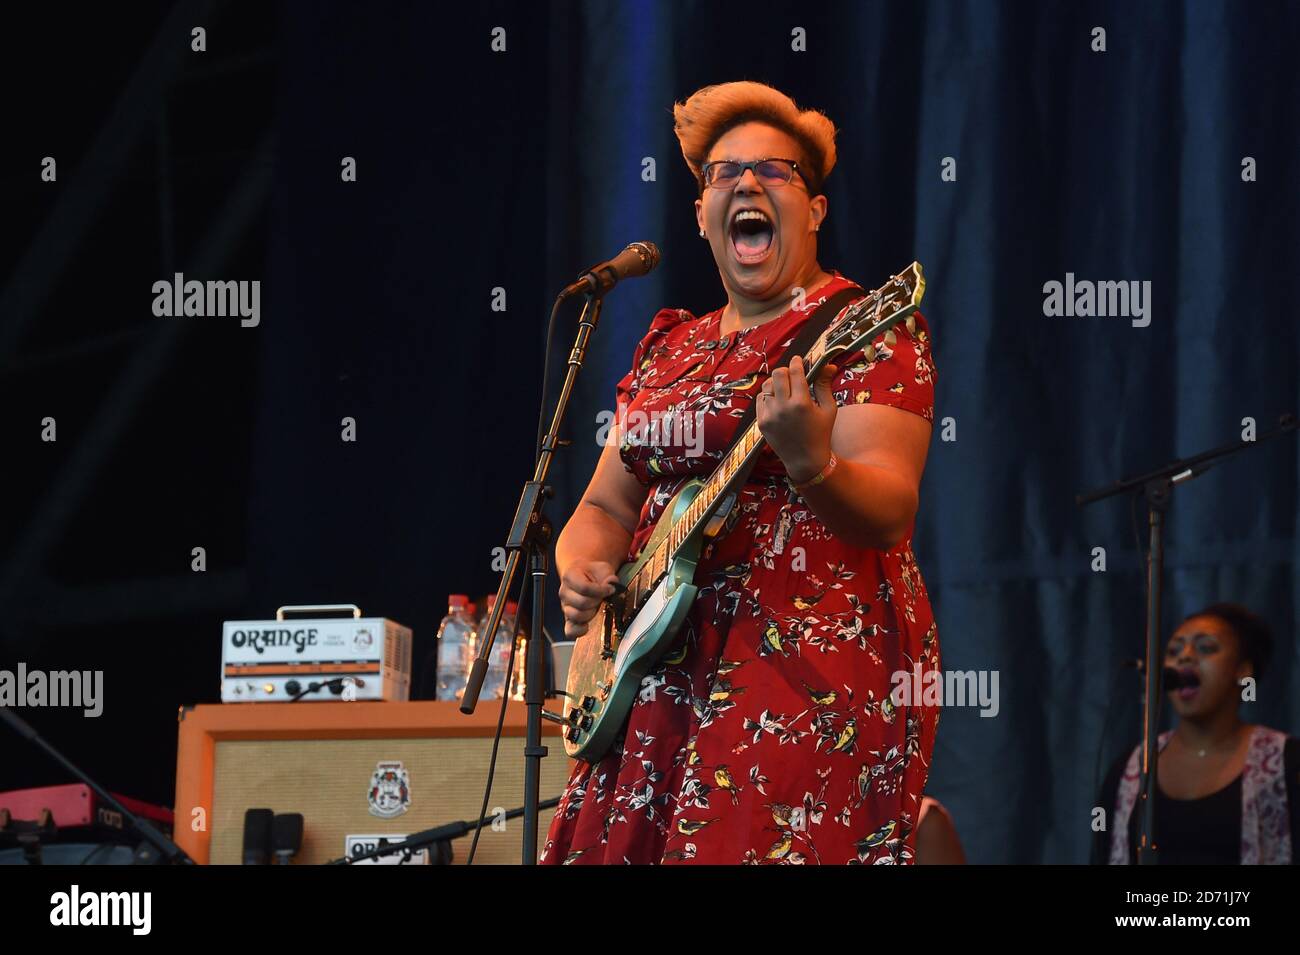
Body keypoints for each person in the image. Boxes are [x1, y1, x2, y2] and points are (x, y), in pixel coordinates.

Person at [540, 81, 940, 865]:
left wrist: (813, 462)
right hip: (648, 673)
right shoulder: (669, 348)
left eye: (774, 171)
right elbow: (604, 504)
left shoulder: (861, 330)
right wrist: (584, 566)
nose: (746, 185)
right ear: (699, 215)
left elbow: (890, 509)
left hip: (801, 663)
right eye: (724, 173)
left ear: (815, 209)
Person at [1092, 603, 1299, 864]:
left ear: (1243, 670)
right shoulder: (1132, 766)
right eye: (1173, 651)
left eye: (1205, 648)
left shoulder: (1286, 762)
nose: (1185, 657)